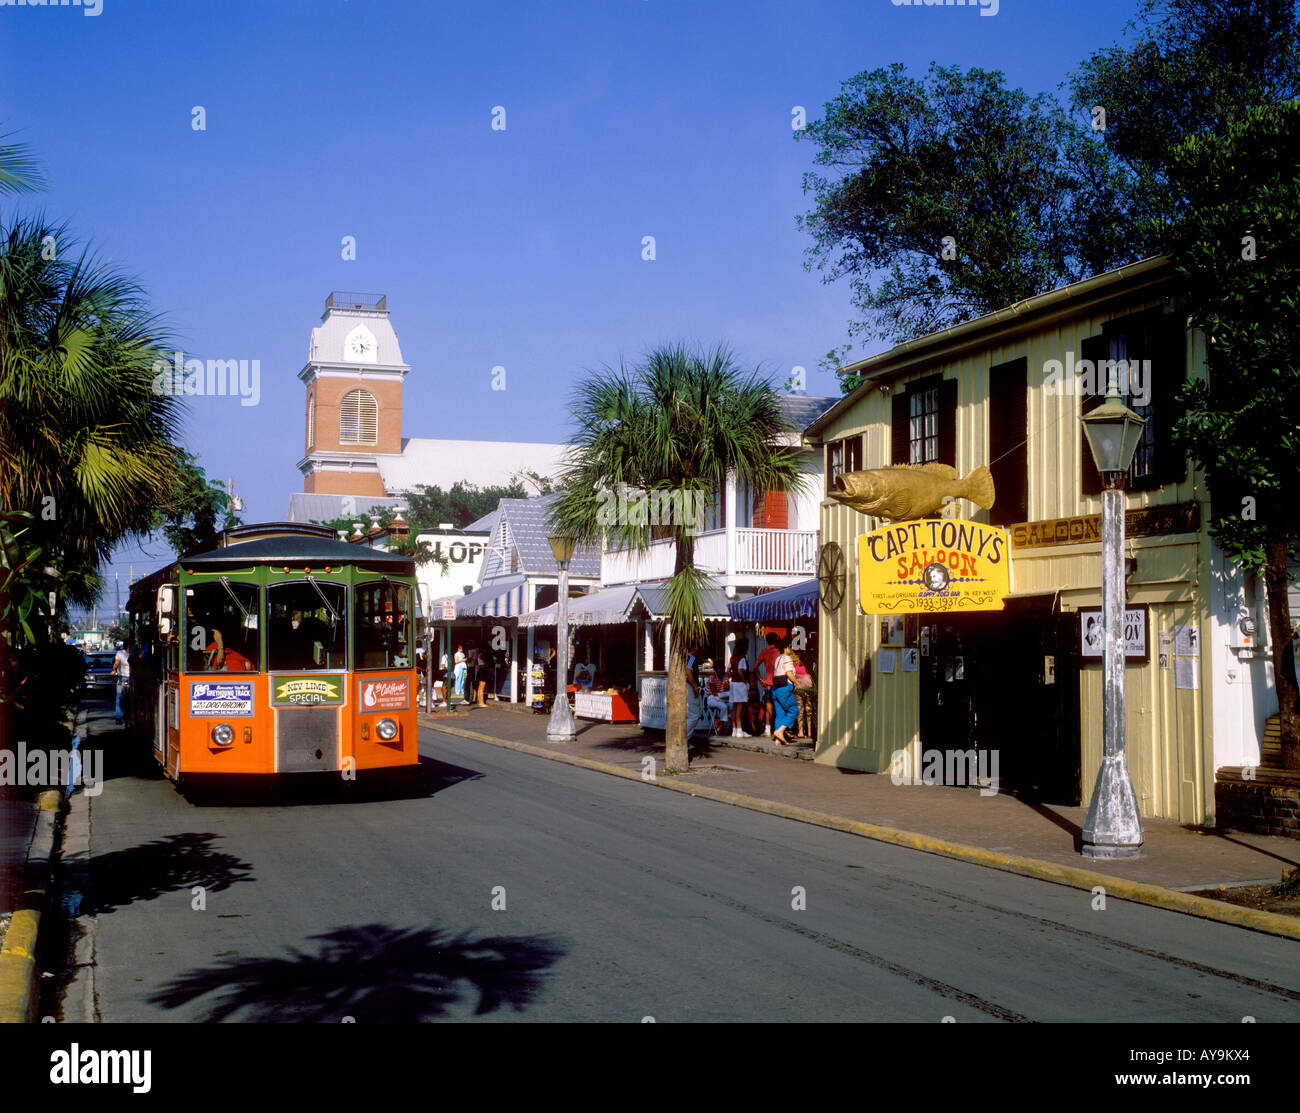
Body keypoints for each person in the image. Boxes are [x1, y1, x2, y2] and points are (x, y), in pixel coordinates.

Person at [770, 640, 799, 746]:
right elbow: (789, 673)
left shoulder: (778, 658)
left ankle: (778, 740)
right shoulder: (787, 658)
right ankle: (780, 731)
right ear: (787, 647)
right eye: (791, 647)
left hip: (775, 689)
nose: (793, 649)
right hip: (785, 688)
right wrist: (797, 683)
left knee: (780, 714)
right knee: (794, 710)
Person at [755, 632, 781, 737]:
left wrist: (761, 679)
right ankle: (779, 729)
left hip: (768, 682)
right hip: (779, 682)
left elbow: (755, 667)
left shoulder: (764, 651)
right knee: (779, 706)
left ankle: (767, 730)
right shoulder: (779, 651)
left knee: (768, 707)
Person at [728, 637, 751, 738]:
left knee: (734, 707)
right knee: (740, 708)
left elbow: (728, 671)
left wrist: (732, 676)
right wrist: (745, 682)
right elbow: (740, 671)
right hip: (740, 684)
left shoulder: (732, 658)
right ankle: (739, 730)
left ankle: (734, 730)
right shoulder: (742, 658)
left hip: (733, 683)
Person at [789, 650, 814, 741]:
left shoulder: (793, 665)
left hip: (799, 687)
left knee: (800, 709)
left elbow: (791, 676)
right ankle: (810, 732)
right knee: (808, 709)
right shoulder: (805, 665)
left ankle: (801, 732)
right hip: (808, 686)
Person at [111, 640, 131, 724]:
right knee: (119, 697)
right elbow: (116, 663)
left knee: (123, 697)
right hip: (123, 677)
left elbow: (116, 664)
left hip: (131, 678)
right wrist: (114, 670)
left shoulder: (134, 652)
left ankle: (125, 716)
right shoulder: (120, 653)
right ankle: (119, 716)